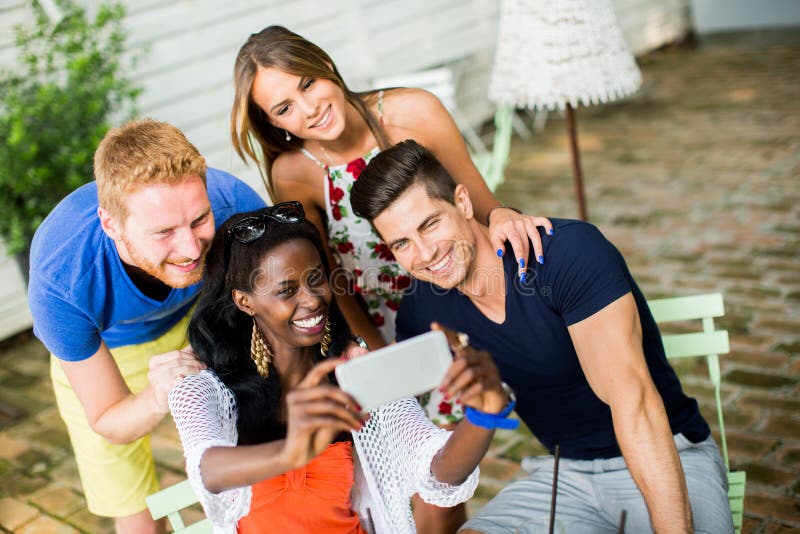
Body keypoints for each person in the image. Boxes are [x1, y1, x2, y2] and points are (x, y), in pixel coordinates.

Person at [230, 27, 550, 529]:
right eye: (284, 108)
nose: (308, 109)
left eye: (308, 84)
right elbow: (328, 276)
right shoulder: (294, 171)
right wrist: (373, 344)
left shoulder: (414, 112)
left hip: (449, 303)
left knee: (444, 466)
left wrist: (507, 215)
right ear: (275, 125)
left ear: (327, 65)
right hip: (374, 326)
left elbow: (476, 198)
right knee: (407, 467)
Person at [350, 140, 735, 533]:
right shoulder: (422, 309)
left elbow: (633, 402)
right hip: (561, 477)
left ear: (463, 203)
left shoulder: (567, 253)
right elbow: (409, 448)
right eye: (401, 243)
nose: (425, 254)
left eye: (430, 224)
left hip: (670, 454)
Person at [168, 203, 514, 533]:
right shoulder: (204, 385)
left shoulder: (356, 371)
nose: (312, 299)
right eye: (287, 291)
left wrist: (482, 417)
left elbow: (437, 467)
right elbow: (206, 468)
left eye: (316, 279)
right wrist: (290, 452)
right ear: (245, 301)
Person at [27, 118, 267, 533]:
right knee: (131, 496)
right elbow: (108, 418)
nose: (190, 248)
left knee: (257, 440)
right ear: (110, 224)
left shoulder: (235, 207)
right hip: (108, 346)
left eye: (198, 220)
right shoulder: (60, 278)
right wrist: (158, 396)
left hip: (200, 315)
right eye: (164, 232)